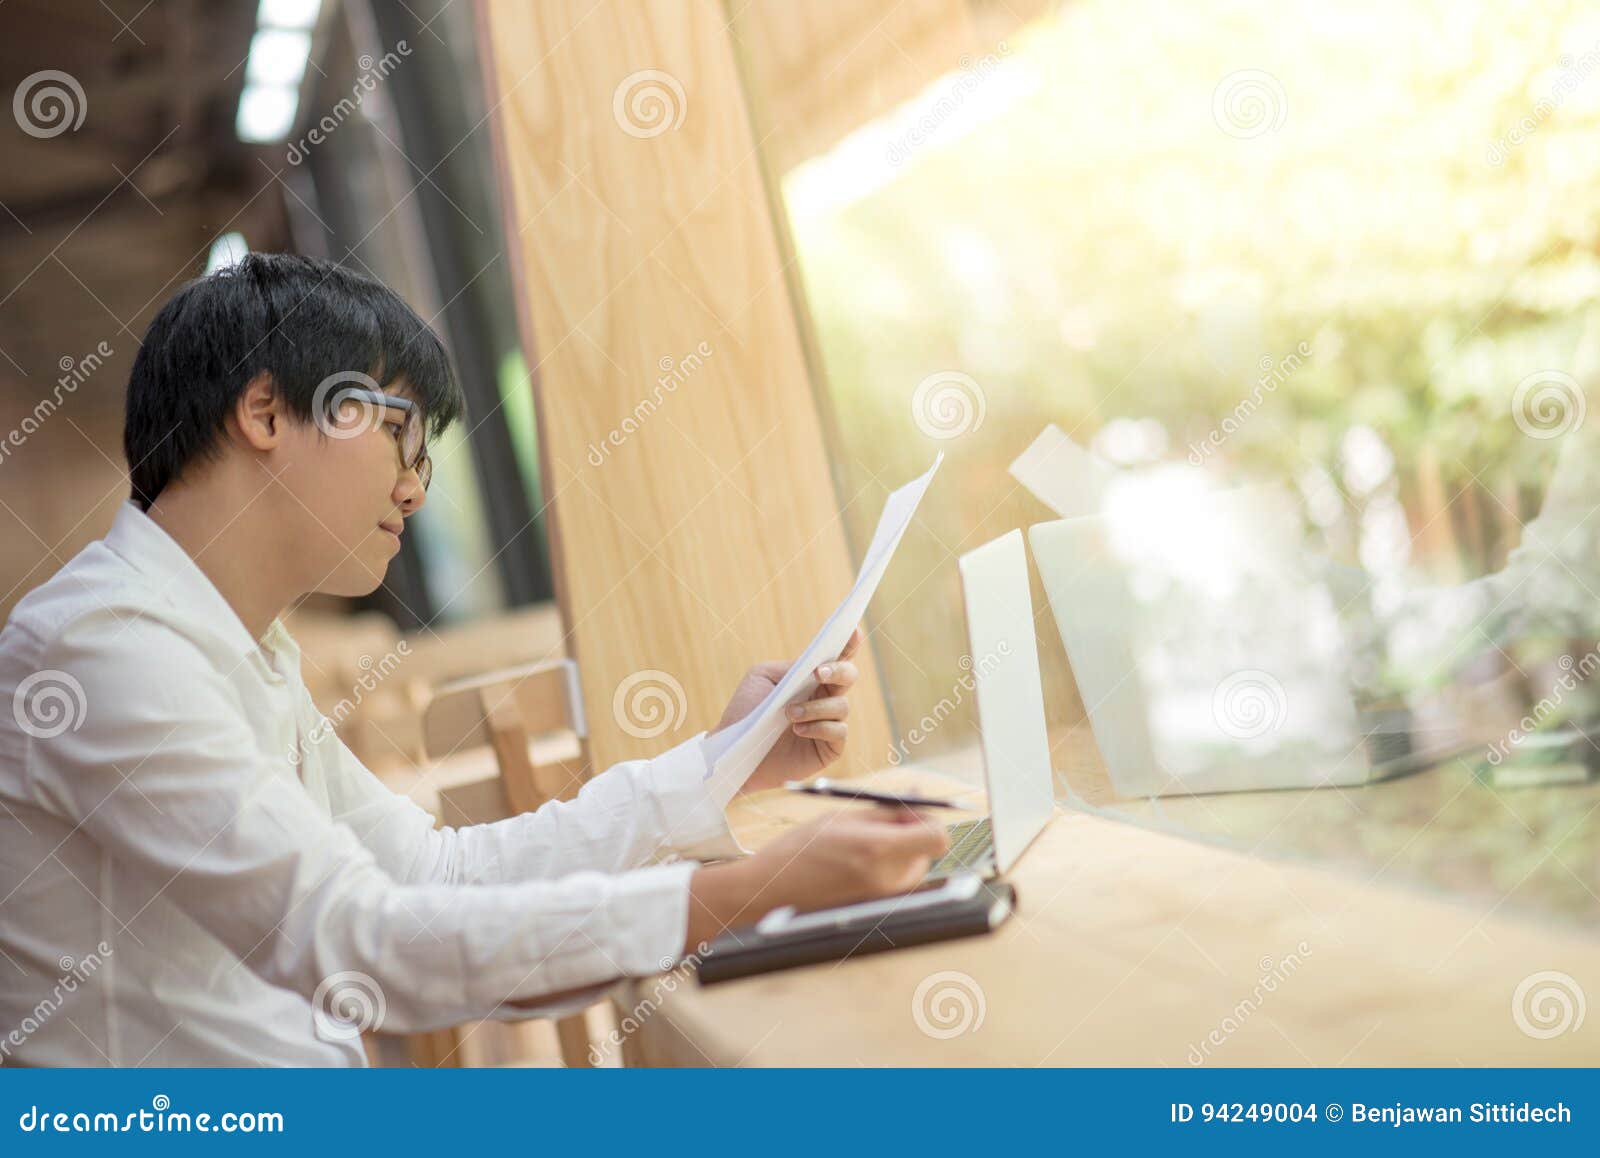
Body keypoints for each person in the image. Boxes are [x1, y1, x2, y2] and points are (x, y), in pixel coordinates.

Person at [0, 253, 947, 1067]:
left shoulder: (239, 648)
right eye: (401, 433)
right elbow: (360, 944)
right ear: (264, 410)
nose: (414, 487)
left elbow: (434, 875)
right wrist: (748, 892)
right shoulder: (99, 653)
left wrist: (727, 757)